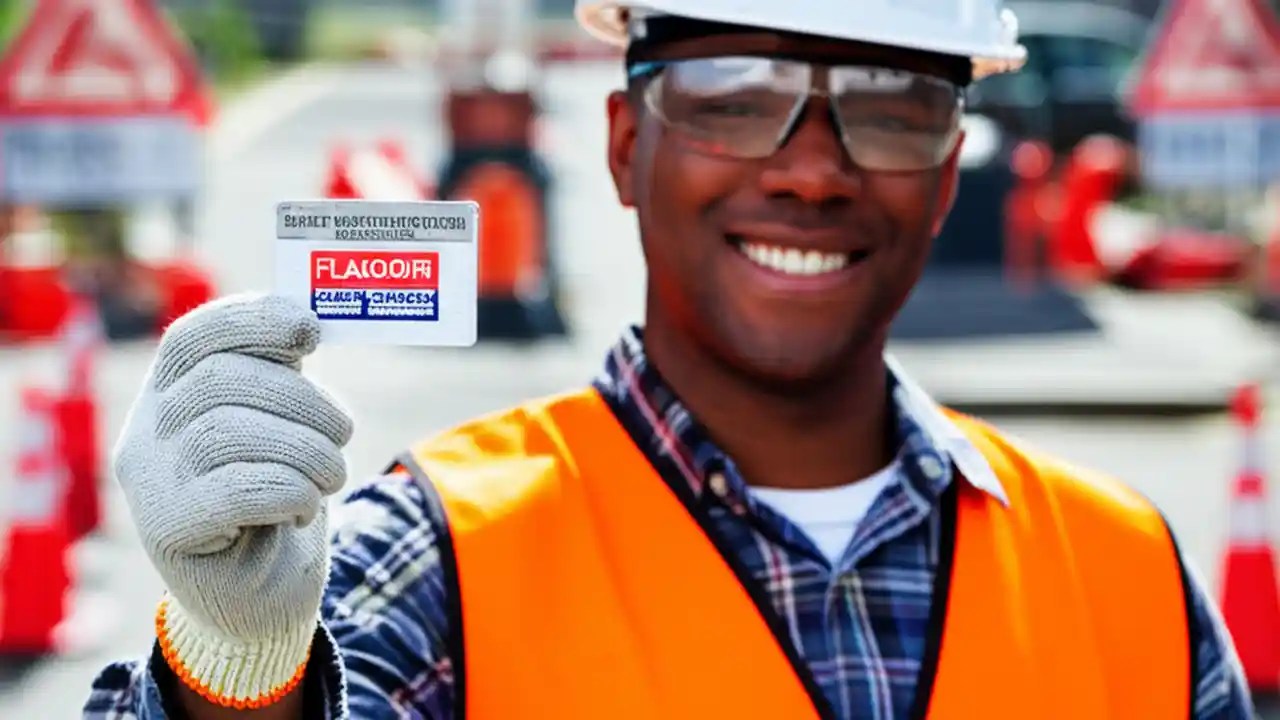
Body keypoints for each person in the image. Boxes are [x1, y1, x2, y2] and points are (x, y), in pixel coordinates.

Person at [85, 0, 1255, 717]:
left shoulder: (1127, 578)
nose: (809, 168)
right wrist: (237, 672)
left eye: (890, 105)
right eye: (731, 96)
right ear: (624, 144)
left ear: (950, 173)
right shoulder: (434, 559)